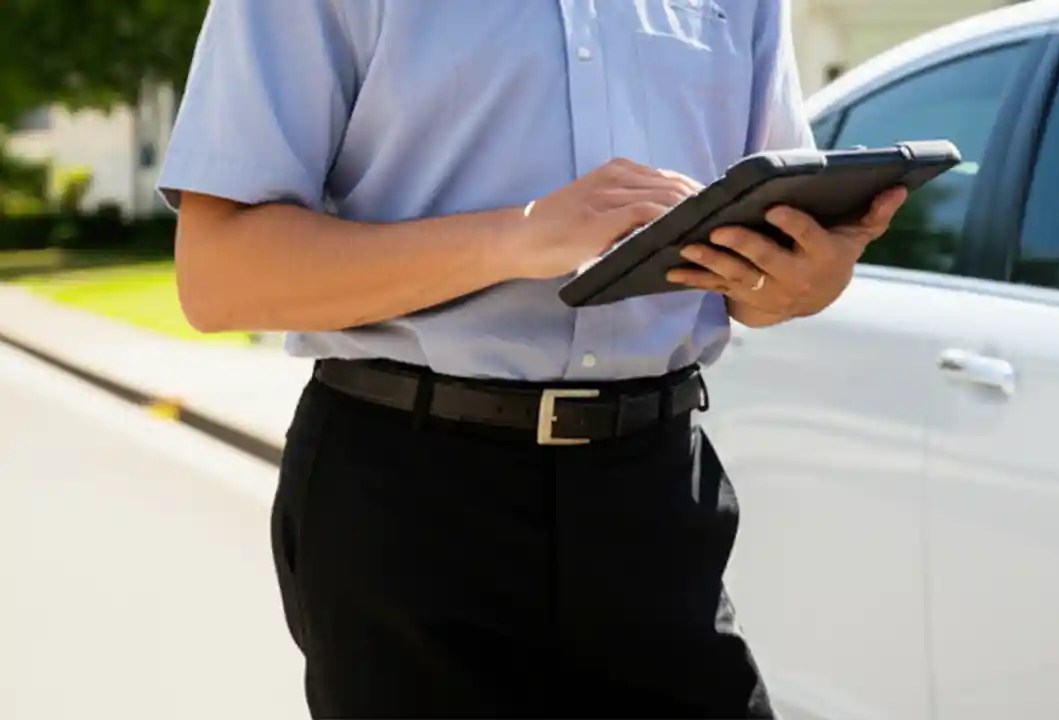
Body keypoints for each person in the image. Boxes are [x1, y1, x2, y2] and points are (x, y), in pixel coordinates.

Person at [159, 1, 906, 717]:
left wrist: (804, 279)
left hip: (655, 494)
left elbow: (758, 281)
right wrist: (515, 238)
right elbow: (218, 276)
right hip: (412, 505)